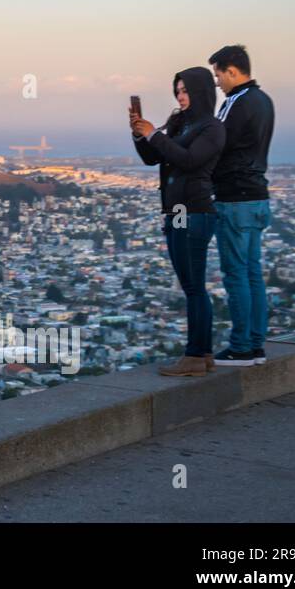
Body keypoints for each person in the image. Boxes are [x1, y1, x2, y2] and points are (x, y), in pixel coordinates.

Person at [130, 67, 226, 376]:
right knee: (193, 287)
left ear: (200, 92)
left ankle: (195, 355)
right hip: (176, 211)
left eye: (185, 90)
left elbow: (188, 160)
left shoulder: (212, 127)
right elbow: (153, 157)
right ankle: (204, 354)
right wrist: (139, 135)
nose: (181, 96)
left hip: (194, 211)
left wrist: (153, 134)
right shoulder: (180, 123)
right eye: (178, 91)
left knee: (193, 286)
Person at [208, 44, 275, 366]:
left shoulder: (237, 103)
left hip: (235, 199)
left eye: (218, 74)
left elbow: (217, 146)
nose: (217, 82)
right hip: (257, 196)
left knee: (236, 275)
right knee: (252, 273)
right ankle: (256, 343)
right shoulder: (264, 101)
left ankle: (241, 347)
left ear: (232, 71)